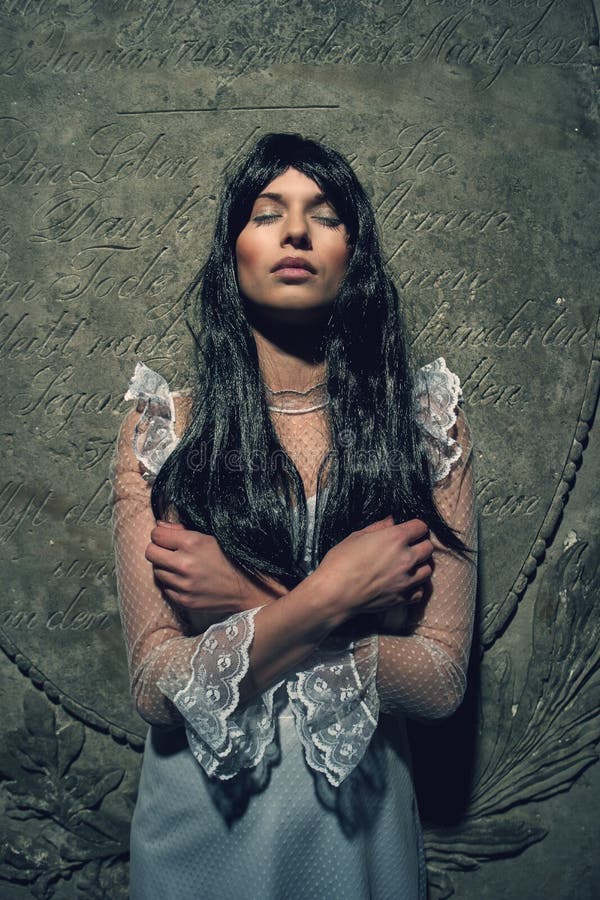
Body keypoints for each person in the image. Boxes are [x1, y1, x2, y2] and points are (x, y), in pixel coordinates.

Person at [109, 131, 477, 900]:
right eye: (268, 211)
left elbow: (440, 684)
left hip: (357, 827)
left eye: (325, 213)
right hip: (201, 827)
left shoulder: (423, 423)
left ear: (356, 253)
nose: (297, 232)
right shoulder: (163, 428)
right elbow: (153, 688)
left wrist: (246, 601)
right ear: (232, 249)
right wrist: (333, 597)